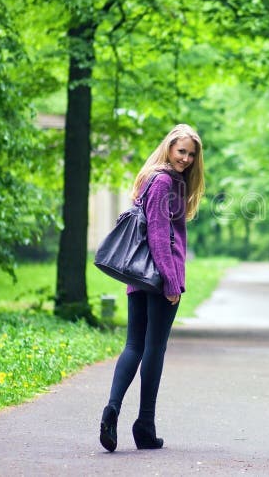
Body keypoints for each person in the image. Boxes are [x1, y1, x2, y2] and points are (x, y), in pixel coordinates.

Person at [99, 124, 205, 452]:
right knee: (151, 348)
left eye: (191, 154)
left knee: (134, 345)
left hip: (140, 276)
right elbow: (160, 235)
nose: (185, 158)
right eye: (181, 151)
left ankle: (114, 410)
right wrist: (171, 283)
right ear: (169, 147)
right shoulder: (163, 181)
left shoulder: (156, 179)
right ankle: (144, 423)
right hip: (159, 278)